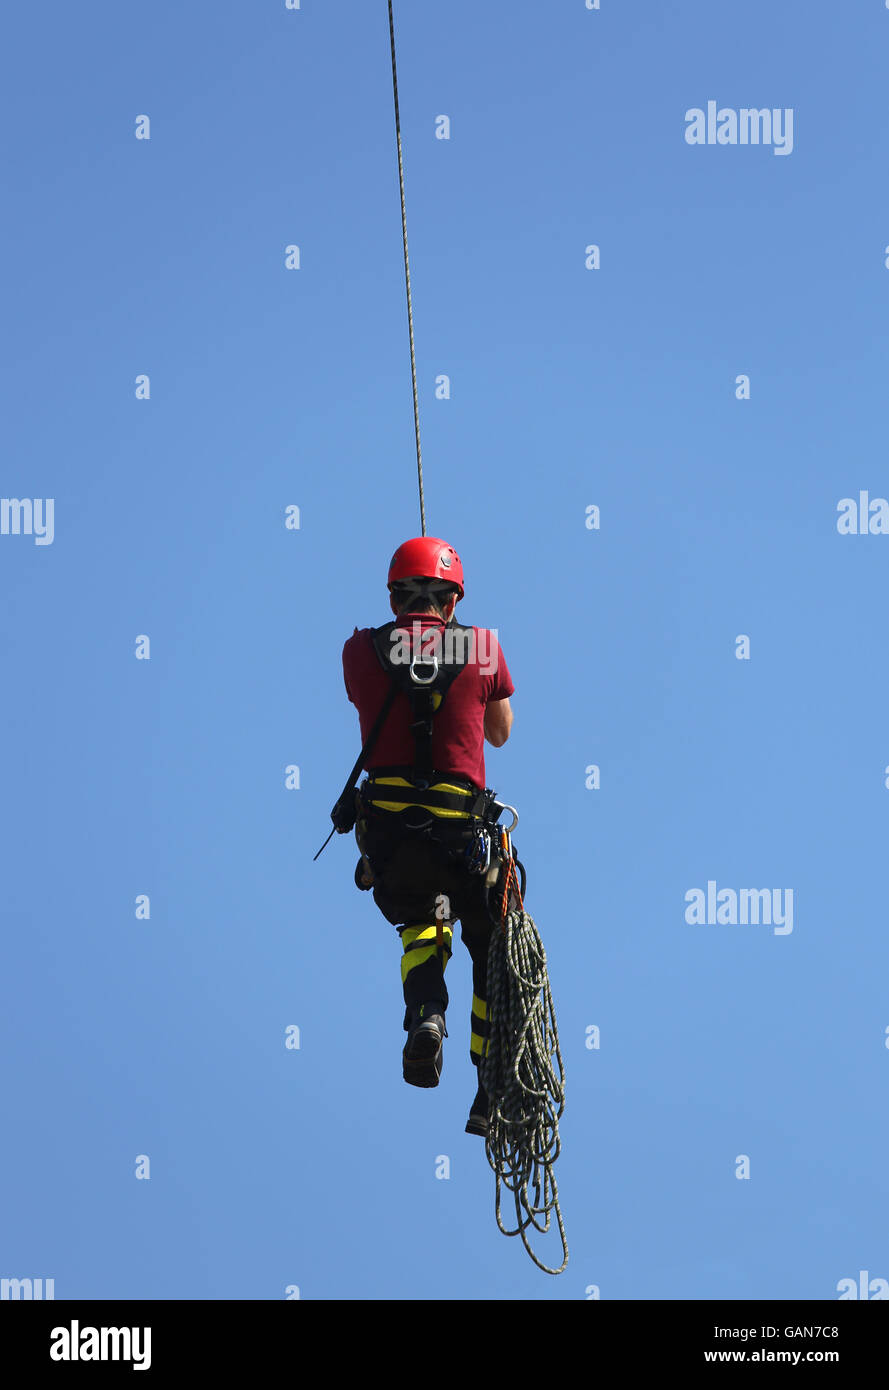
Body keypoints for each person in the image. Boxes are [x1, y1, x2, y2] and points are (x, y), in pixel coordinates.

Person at [341, 537, 514, 1134]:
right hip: (460, 840)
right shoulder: (482, 646)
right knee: (491, 948)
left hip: (392, 844)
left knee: (421, 924)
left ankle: (426, 1015)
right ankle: (490, 1087)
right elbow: (500, 733)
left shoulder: (358, 651)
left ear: (393, 595)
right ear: (454, 596)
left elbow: (372, 696)